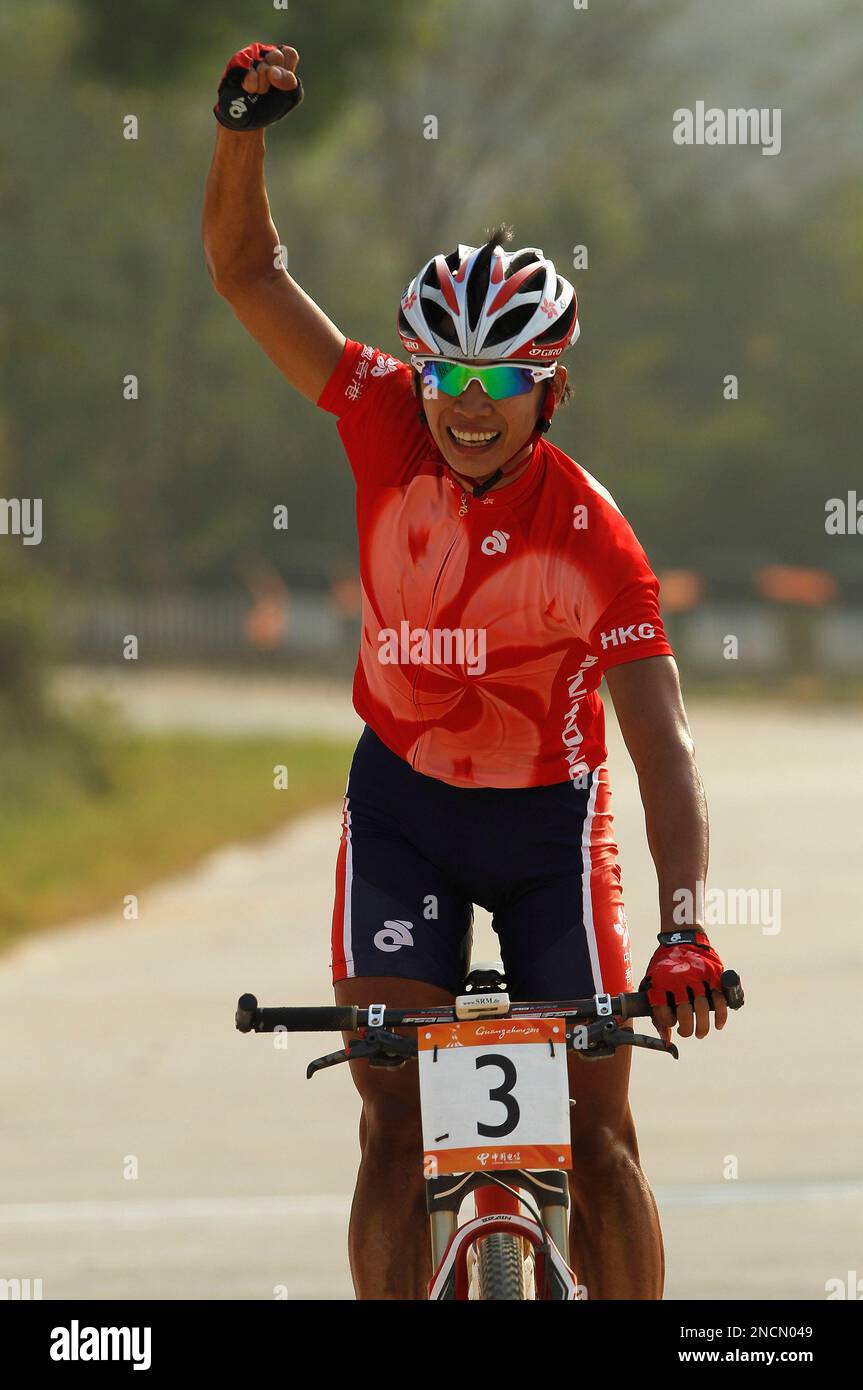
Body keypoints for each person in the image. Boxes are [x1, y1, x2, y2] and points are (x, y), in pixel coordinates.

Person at [203, 42, 733, 1300]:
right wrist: (238, 130)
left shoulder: (597, 541)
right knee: (391, 1129)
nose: (467, 404)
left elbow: (659, 747)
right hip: (403, 813)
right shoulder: (381, 416)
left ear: (548, 388)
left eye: (499, 379)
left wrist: (683, 926)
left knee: (599, 1144)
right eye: (446, 373)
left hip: (554, 828)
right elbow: (246, 271)